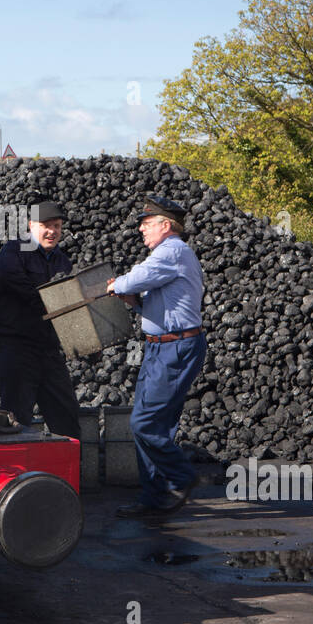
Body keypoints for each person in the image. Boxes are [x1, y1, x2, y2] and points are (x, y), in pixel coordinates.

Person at [105, 196, 206, 517]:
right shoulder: (168, 256)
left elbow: (134, 279)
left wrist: (117, 285)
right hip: (162, 345)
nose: (140, 229)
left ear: (165, 226)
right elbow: (151, 304)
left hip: (174, 347)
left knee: (144, 423)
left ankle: (181, 476)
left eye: (147, 224)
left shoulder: (171, 252)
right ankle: (153, 497)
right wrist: (132, 300)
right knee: (154, 424)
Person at [0, 201, 81, 438]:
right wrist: (53, 301)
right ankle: (16, 472)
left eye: (57, 226)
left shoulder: (61, 260)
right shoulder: (14, 251)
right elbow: (17, 286)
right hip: (15, 344)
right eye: (46, 226)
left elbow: (71, 301)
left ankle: (68, 470)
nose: (53, 231)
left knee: (65, 412)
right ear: (31, 226)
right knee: (16, 415)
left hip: (48, 347)